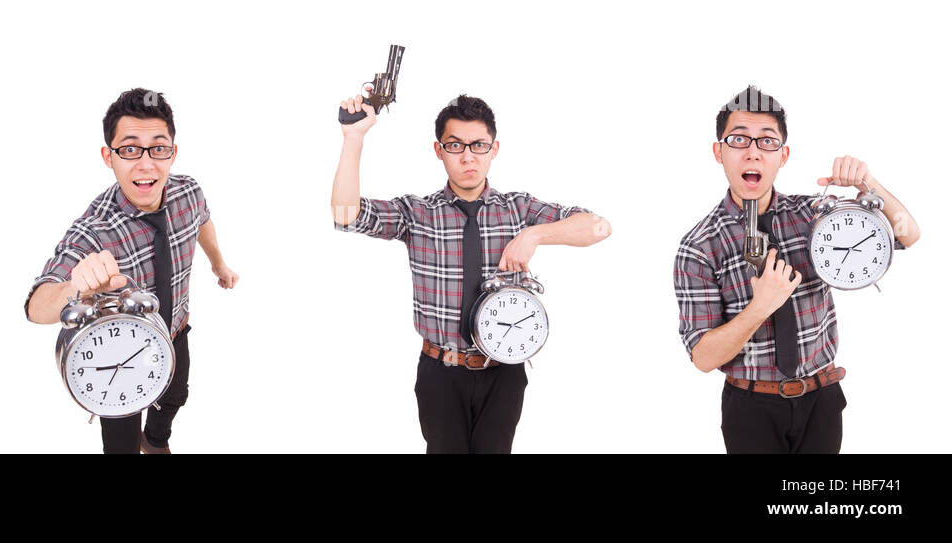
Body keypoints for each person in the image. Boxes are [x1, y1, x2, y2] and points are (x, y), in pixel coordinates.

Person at [331, 94, 611, 453]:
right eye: (455, 145)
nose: (467, 156)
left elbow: (599, 227)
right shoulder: (417, 213)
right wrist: (354, 139)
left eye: (478, 145)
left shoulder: (519, 209)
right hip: (440, 371)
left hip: (504, 371)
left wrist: (534, 234)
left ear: (494, 149)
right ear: (439, 150)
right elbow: (344, 213)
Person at [673, 86, 921, 453]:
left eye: (767, 142)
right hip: (750, 409)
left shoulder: (815, 216)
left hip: (822, 400)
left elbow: (908, 234)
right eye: (738, 139)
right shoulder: (698, 246)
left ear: (783, 155)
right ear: (719, 151)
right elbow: (703, 358)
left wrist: (868, 183)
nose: (753, 152)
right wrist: (760, 307)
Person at [25, 88, 238, 454]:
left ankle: (155, 442)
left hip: (175, 329)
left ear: (173, 152)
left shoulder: (189, 192)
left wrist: (219, 263)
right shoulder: (94, 230)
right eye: (129, 149)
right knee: (121, 444)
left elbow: (202, 222)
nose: (145, 164)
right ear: (109, 156)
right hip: (118, 357)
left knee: (175, 396)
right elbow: (36, 306)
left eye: (158, 147)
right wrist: (74, 286)